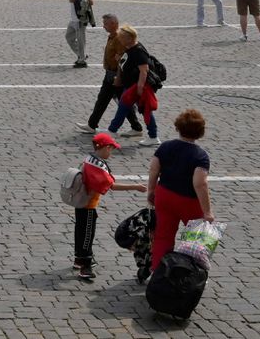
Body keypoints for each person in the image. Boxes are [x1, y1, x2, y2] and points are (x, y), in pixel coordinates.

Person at [146, 109, 215, 275]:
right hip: (188, 201)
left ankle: (158, 273)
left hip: (164, 195)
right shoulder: (200, 156)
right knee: (196, 239)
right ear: (200, 132)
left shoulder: (165, 147)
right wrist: (207, 212)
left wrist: (151, 190)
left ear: (178, 128)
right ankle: (192, 274)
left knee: (163, 236)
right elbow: (200, 183)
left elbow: (154, 170)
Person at [72, 132, 147, 282]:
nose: (111, 152)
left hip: (81, 203)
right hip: (88, 205)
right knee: (87, 234)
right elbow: (111, 185)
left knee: (80, 231)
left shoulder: (89, 159)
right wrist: (135, 187)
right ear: (104, 147)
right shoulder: (97, 165)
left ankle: (79, 259)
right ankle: (85, 265)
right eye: (110, 149)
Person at [76, 13, 142, 136]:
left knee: (122, 103)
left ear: (114, 24)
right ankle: (92, 124)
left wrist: (118, 77)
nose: (103, 26)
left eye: (106, 24)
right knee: (103, 100)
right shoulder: (112, 36)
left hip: (115, 76)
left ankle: (136, 127)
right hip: (109, 74)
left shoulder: (118, 38)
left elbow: (121, 61)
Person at [105, 25, 159, 146]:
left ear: (130, 38)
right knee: (124, 106)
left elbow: (144, 71)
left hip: (137, 87)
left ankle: (153, 136)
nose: (119, 40)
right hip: (130, 85)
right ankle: (114, 129)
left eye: (122, 38)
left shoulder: (138, 51)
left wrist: (140, 88)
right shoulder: (129, 48)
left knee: (142, 109)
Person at [64, 0, 92, 67]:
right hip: (74, 18)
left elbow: (91, 1)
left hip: (81, 19)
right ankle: (82, 55)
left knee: (81, 40)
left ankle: (82, 61)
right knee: (69, 37)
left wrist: (75, 0)